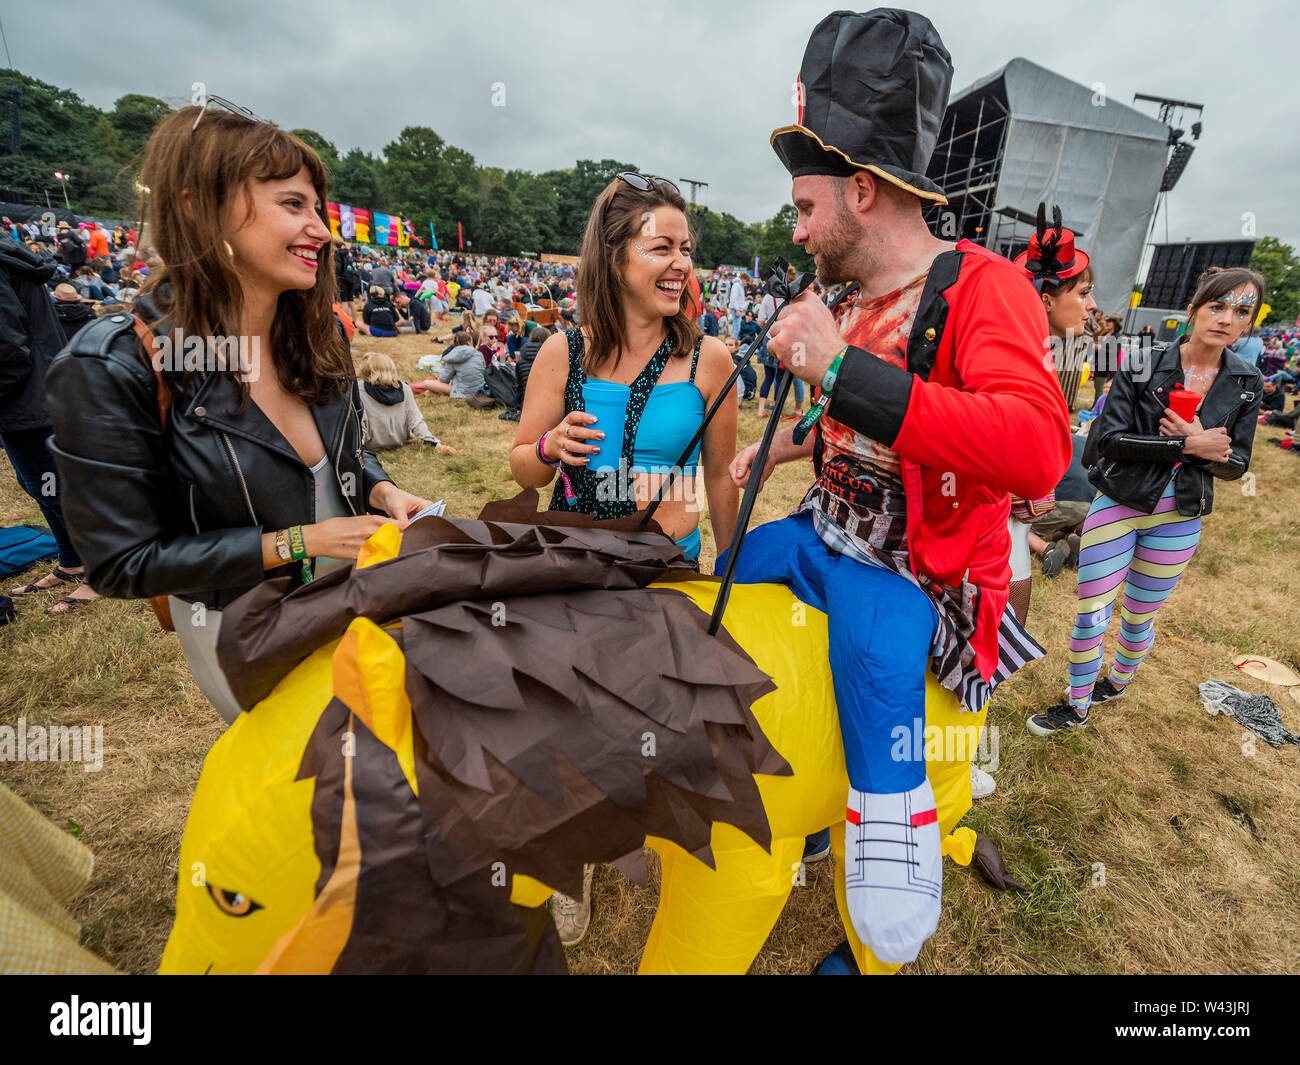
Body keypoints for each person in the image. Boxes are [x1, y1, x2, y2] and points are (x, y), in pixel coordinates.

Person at [726, 9, 1069, 972]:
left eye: (805, 209)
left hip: (913, 567)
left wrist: (839, 373)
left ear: (863, 192)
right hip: (819, 527)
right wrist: (784, 450)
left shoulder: (981, 287)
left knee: (878, 667)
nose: (795, 230)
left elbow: (1038, 451)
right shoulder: (846, 300)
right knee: (716, 580)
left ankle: (890, 876)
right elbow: (847, 429)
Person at [44, 104, 431, 723]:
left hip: (359, 598)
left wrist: (383, 490)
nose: (322, 230)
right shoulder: (112, 363)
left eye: (318, 209)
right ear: (199, 207)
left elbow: (337, 454)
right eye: (292, 205)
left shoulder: (313, 334)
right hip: (247, 630)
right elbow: (121, 562)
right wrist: (298, 542)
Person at [508, 171, 739, 944]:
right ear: (613, 259)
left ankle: (623, 828)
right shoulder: (560, 349)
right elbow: (522, 466)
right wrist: (548, 446)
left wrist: (728, 568)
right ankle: (562, 857)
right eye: (661, 246)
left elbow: (718, 477)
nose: (681, 262)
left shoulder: (712, 360)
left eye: (687, 248)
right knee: (555, 719)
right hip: (568, 559)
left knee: (640, 723)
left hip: (664, 570)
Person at [1028, 266, 1266, 736]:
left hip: (1179, 518)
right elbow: (1105, 441)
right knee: (1092, 613)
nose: (1225, 318)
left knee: (1138, 617)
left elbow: (1236, 463)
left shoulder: (1247, 381)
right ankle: (1076, 707)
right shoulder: (1143, 358)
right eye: (1216, 305)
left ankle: (1116, 683)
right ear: (1193, 309)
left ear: (1249, 324)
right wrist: (1187, 446)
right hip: (1118, 503)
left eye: (1241, 311)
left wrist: (1202, 445)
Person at [1005, 205, 1097, 620]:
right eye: (1082, 292)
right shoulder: (1023, 360)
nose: (1092, 304)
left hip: (1017, 513)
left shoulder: (1055, 353)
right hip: (995, 520)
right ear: (1045, 299)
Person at [1, 237, 100, 614]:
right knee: (38, 486)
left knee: (56, 487)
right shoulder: (13, 260)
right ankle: (72, 561)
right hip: (30, 396)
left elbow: (7, 348)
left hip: (30, 397)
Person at [356, 351, 456, 453]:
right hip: (399, 440)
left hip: (371, 444)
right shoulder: (404, 388)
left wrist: (356, 448)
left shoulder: (357, 390)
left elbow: (358, 424)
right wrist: (434, 443)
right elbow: (415, 420)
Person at [412, 329, 487, 398]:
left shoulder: (453, 357)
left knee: (427, 383)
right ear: (469, 341)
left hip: (463, 392)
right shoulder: (478, 354)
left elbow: (443, 380)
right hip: (480, 390)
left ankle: (411, 387)